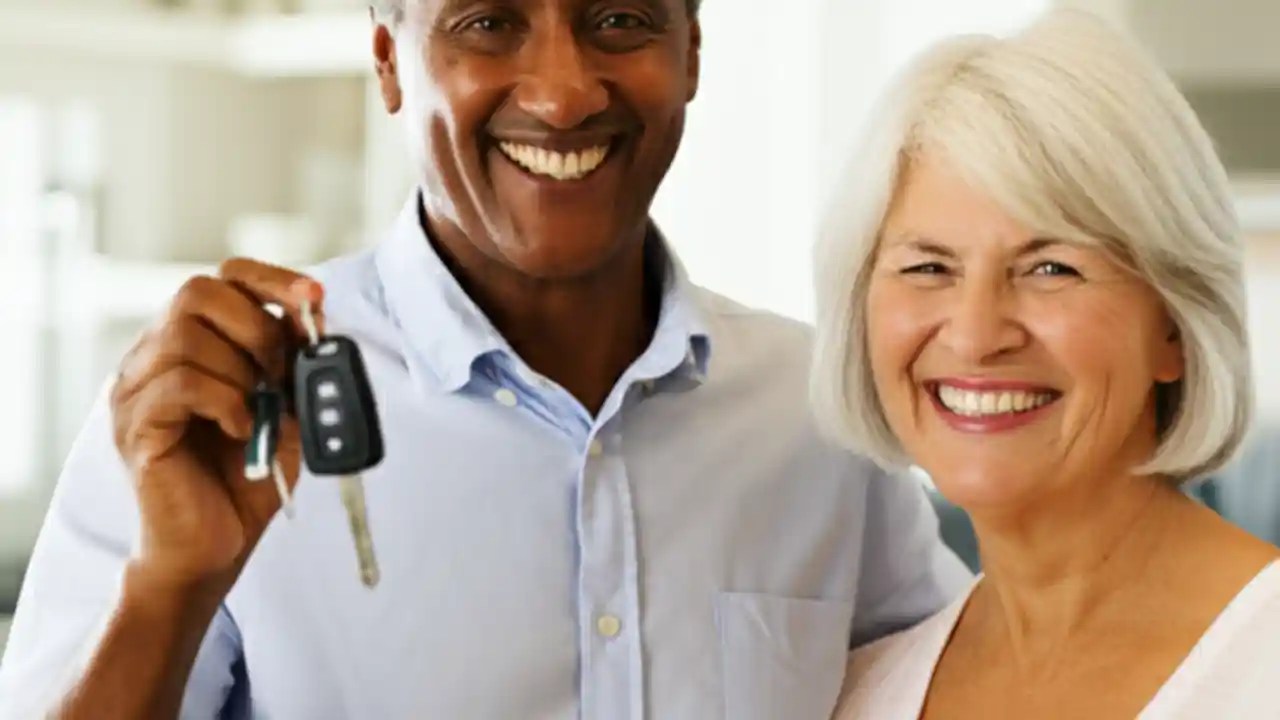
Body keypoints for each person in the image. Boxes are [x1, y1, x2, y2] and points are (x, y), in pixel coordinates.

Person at [0, 1, 970, 718]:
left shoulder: (815, 414)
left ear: (690, 53)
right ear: (388, 63)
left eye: (619, 19)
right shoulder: (217, 414)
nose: (560, 94)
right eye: (488, 22)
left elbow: (974, 680)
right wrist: (169, 592)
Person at [812, 10, 1280, 719]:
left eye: (1051, 268)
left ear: (1176, 327)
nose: (974, 335)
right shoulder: (855, 694)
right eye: (930, 266)